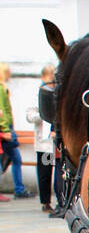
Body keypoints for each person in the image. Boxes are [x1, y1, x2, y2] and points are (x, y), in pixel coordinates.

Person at [26, 65, 57, 213]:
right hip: (45, 143)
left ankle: (62, 202)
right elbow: (30, 116)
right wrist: (43, 114)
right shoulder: (37, 94)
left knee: (60, 173)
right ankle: (45, 202)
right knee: (45, 172)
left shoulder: (58, 93)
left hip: (58, 142)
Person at [0, 62, 33, 200]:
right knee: (13, 159)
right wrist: (6, 130)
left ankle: (19, 189)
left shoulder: (3, 87)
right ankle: (19, 189)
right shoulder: (1, 88)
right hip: (5, 129)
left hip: (6, 128)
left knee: (11, 159)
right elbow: (2, 111)